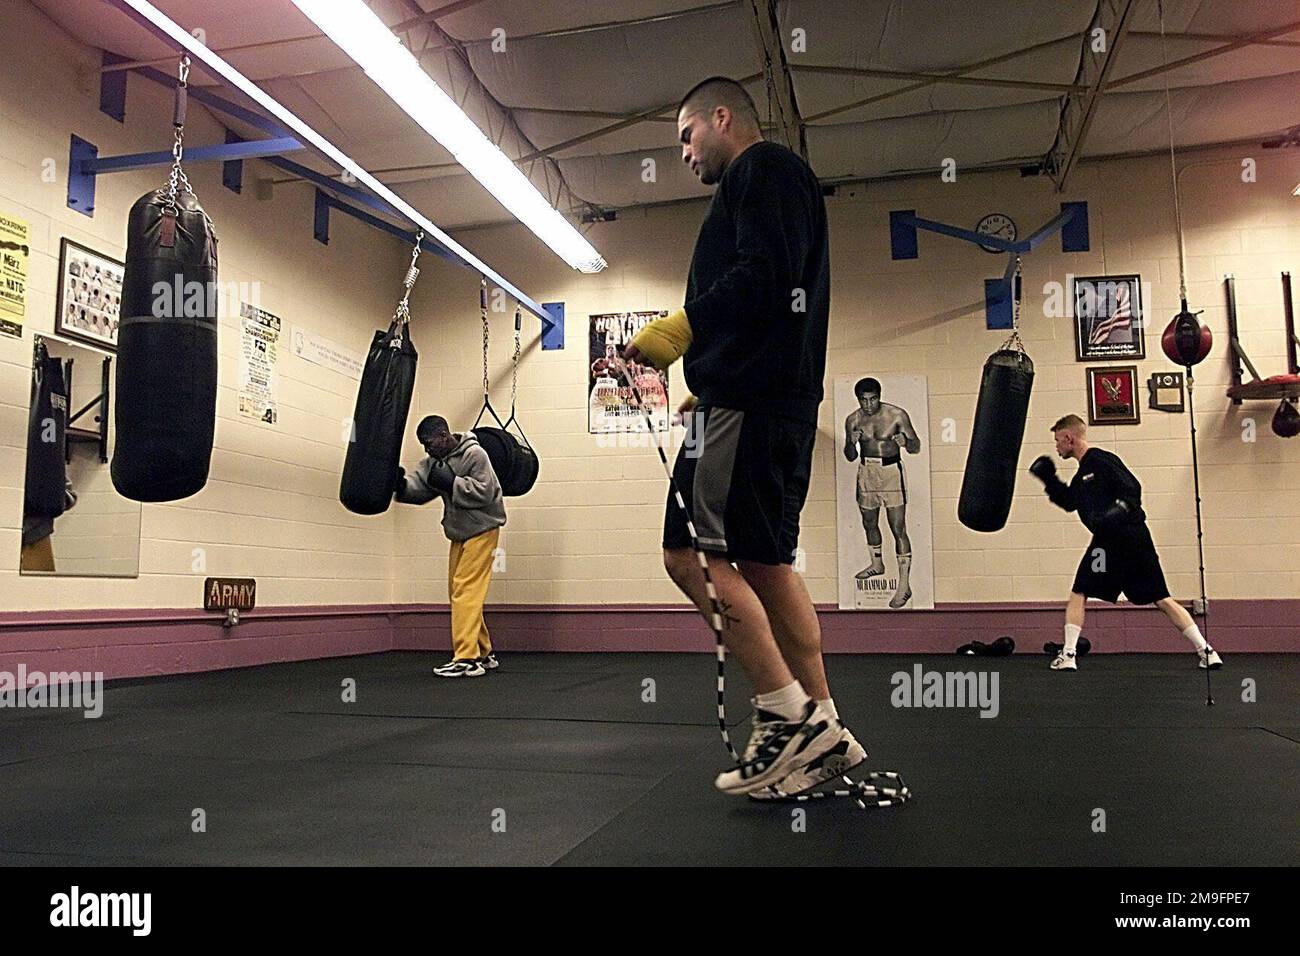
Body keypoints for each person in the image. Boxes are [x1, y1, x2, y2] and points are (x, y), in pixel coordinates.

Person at [624, 76, 861, 800]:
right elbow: (778, 295)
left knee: (689, 552)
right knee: (764, 561)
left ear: (722, 118)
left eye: (687, 138)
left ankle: (783, 712)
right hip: (767, 400)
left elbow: (764, 277)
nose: (685, 155)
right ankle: (825, 725)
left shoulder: (761, 168)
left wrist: (688, 326)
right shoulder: (784, 182)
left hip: (751, 404)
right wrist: (711, 376)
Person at [1028, 414, 1223, 672]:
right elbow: (1069, 501)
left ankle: (1205, 650)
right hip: (1108, 542)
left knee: (1155, 596)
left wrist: (1116, 513)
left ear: (1069, 437)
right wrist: (1049, 480)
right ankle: (1205, 651)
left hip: (1128, 536)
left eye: (1057, 440)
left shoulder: (1101, 460)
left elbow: (1132, 489)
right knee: (1085, 590)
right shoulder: (1083, 474)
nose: (1056, 446)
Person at [395, 415, 506, 678]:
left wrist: (452, 483)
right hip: (458, 532)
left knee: (465, 591)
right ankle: (483, 652)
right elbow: (419, 489)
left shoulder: (475, 454)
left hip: (484, 528)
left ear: (444, 436)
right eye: (423, 445)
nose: (427, 449)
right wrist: (399, 486)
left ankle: (466, 659)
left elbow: (485, 491)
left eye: (430, 443)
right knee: (458, 592)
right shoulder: (434, 461)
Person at [843, 376, 921, 607]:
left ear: (879, 396)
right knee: (869, 522)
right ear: (858, 399)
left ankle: (904, 585)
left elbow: (916, 447)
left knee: (897, 526)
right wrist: (851, 442)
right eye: (864, 400)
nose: (868, 405)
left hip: (891, 471)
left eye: (872, 399)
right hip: (867, 470)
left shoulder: (896, 415)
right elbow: (850, 456)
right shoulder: (853, 420)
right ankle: (877, 565)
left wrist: (905, 441)